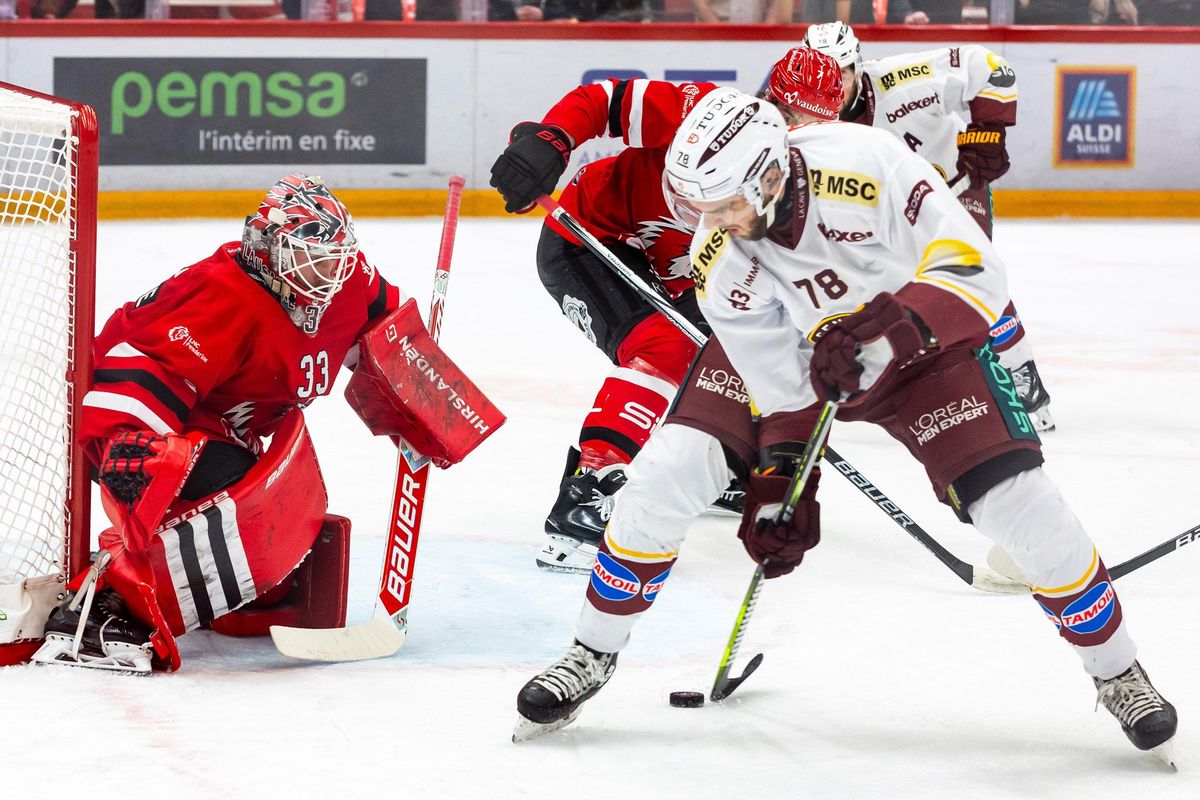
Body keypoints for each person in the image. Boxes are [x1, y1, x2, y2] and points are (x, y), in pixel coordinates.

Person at [514, 83, 1178, 766]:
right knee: (667, 475)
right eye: (701, 210)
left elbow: (978, 270)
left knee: (1026, 510)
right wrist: (780, 483)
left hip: (924, 351)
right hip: (808, 356)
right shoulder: (720, 251)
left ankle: (1117, 670)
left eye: (727, 206)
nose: (714, 225)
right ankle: (590, 650)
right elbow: (778, 387)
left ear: (771, 175)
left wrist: (893, 330)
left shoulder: (868, 163)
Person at [29, 174, 473, 673]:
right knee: (237, 507)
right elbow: (143, 366)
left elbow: (384, 332)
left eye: (334, 260)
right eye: (311, 261)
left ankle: (221, 595)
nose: (327, 275)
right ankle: (99, 604)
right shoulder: (220, 296)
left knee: (271, 550)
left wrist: (422, 397)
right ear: (267, 249)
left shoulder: (349, 283)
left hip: (228, 435)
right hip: (148, 434)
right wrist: (128, 445)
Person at [488, 56, 836, 572]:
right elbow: (603, 100)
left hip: (691, 270)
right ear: (769, 98)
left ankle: (729, 461)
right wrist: (552, 140)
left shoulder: (805, 177)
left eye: (810, 125)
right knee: (666, 347)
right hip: (591, 240)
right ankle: (588, 490)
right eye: (788, 114)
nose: (793, 132)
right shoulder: (701, 113)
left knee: (740, 350)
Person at [802, 21, 1055, 432]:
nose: (831, 85)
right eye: (819, 73)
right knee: (894, 293)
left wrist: (988, 130)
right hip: (890, 216)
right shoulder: (799, 108)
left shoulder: (901, 80)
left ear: (858, 66)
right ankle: (934, 382)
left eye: (841, 73)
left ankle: (1020, 374)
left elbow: (989, 66)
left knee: (969, 277)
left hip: (954, 190)